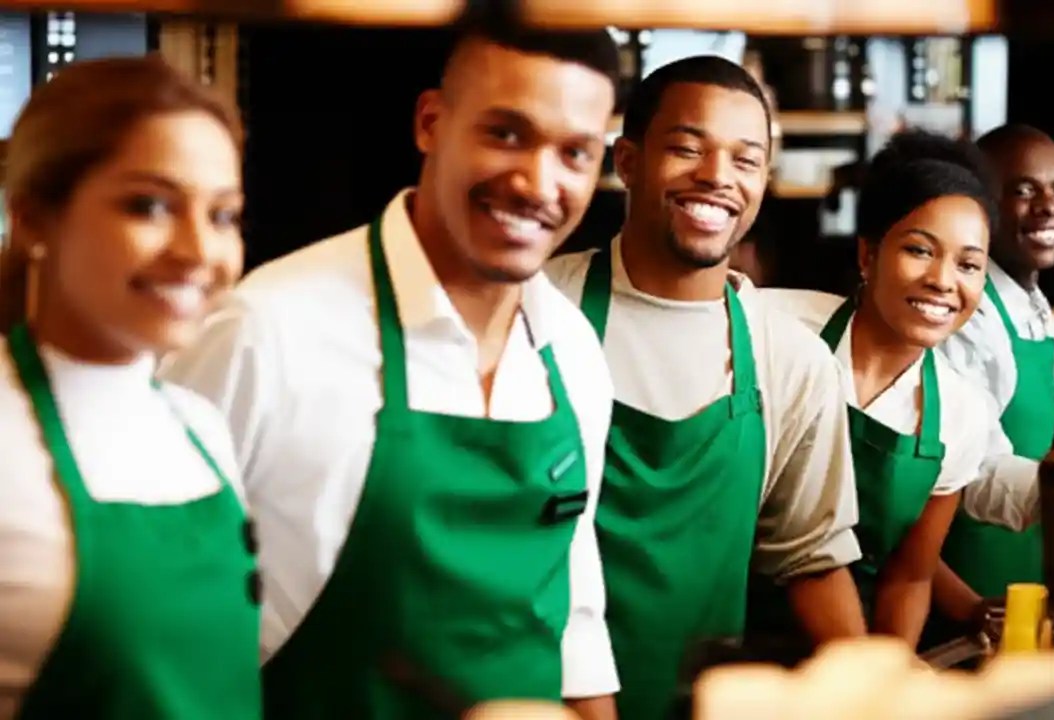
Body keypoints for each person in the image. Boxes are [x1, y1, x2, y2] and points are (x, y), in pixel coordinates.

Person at [161, 25, 622, 720]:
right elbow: (152, 616)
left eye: (574, 153)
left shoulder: (575, 352)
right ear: (431, 122)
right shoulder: (270, 331)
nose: (537, 182)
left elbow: (576, 619)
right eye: (505, 134)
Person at [544, 56, 864, 719]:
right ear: (627, 161)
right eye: (687, 148)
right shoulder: (541, 310)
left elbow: (812, 559)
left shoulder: (792, 360)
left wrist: (878, 695)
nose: (717, 177)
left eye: (746, 160)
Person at [0, 56, 258, 719]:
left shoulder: (199, 425)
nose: (198, 250)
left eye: (224, 215)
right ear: (32, 218)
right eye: (150, 205)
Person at [761, 130, 1010, 646]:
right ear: (868, 255)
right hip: (735, 634)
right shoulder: (775, 329)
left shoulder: (960, 416)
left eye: (968, 264)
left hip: (854, 656)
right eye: (920, 250)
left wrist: (888, 680)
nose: (943, 281)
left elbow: (910, 574)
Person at [936, 123, 1054, 603]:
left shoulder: (1038, 313)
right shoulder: (968, 312)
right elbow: (968, 470)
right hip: (964, 582)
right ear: (982, 206)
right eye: (1023, 191)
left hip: (1023, 569)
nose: (1050, 208)